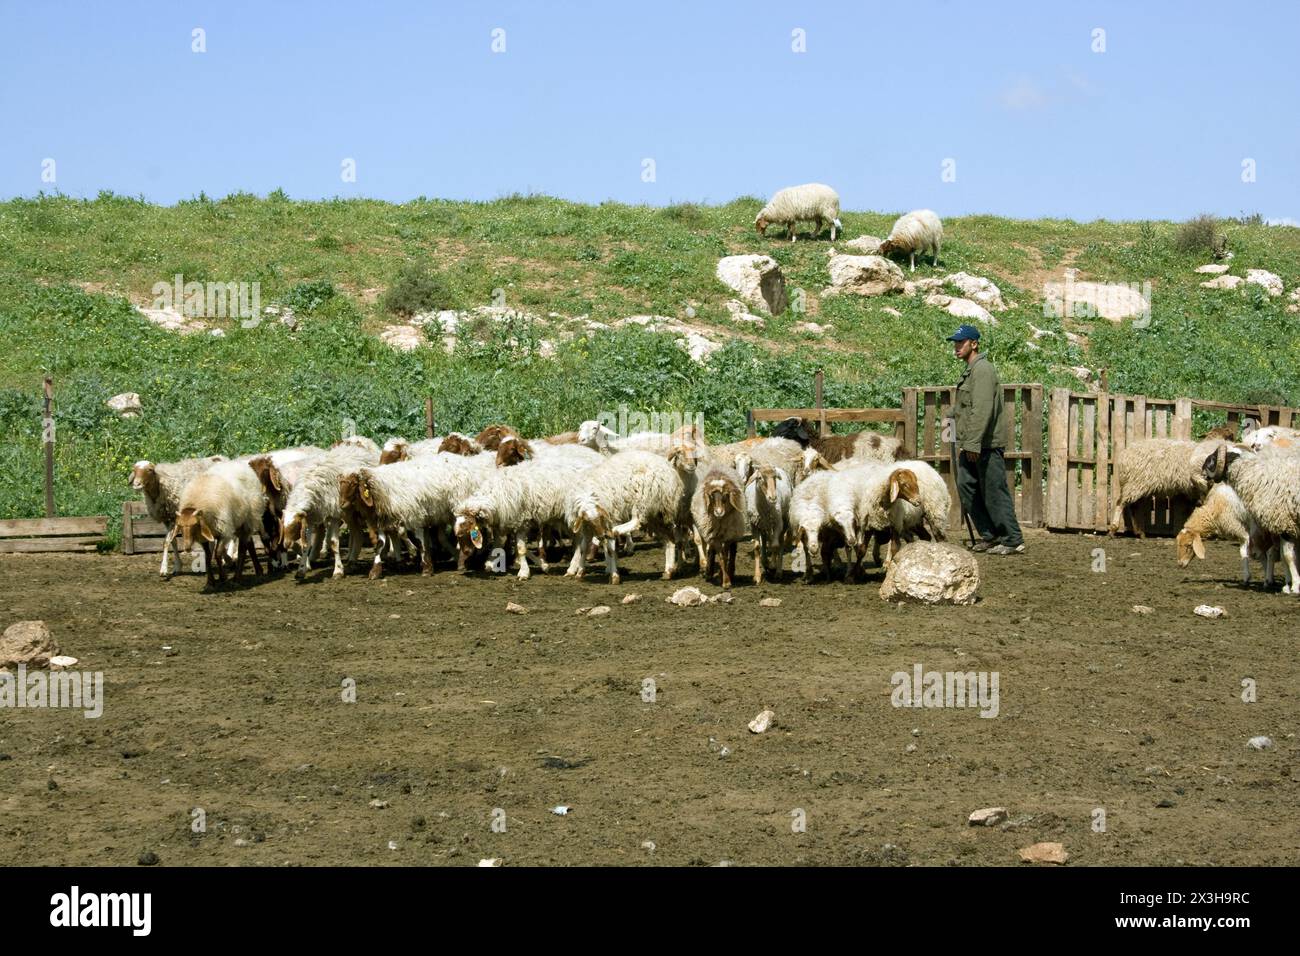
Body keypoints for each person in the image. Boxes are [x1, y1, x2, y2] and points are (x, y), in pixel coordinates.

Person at [946, 324, 1025, 555]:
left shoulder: (983, 370)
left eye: (961, 342)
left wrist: (972, 443)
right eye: (955, 343)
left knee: (993, 490)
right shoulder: (971, 370)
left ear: (974, 344)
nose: (957, 347)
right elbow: (969, 406)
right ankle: (990, 535)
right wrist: (952, 414)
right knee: (966, 486)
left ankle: (1012, 538)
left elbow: (982, 409)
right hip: (973, 443)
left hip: (985, 445)